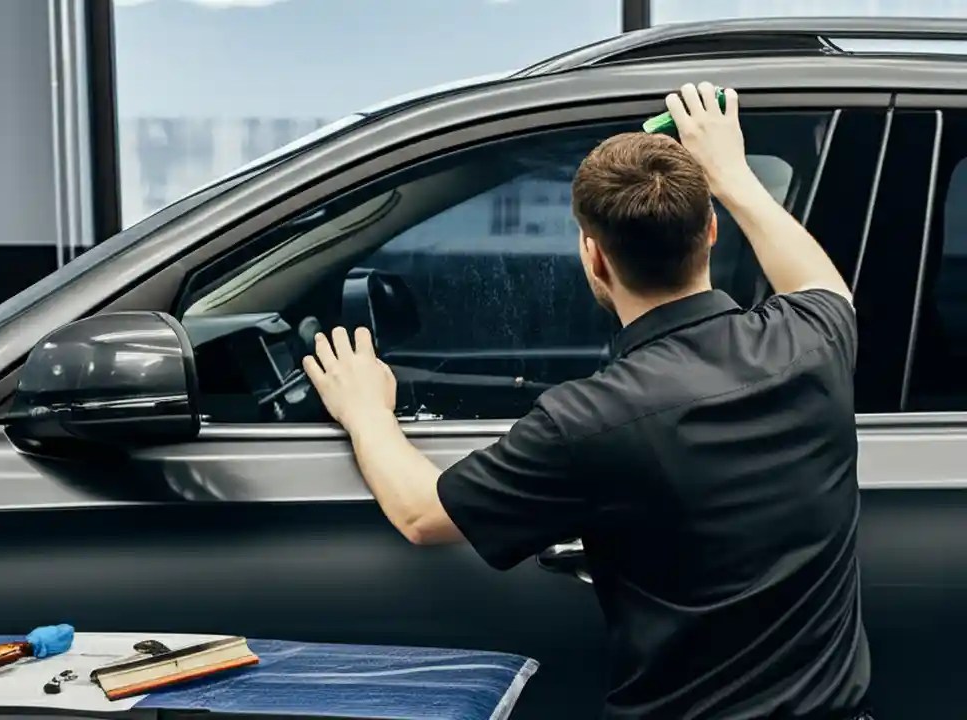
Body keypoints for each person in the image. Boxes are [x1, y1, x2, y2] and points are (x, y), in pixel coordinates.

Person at [302, 82, 871, 720]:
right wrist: (731, 174)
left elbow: (419, 514)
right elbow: (824, 285)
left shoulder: (589, 420)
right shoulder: (811, 343)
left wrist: (366, 412)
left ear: (593, 256)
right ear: (710, 230)